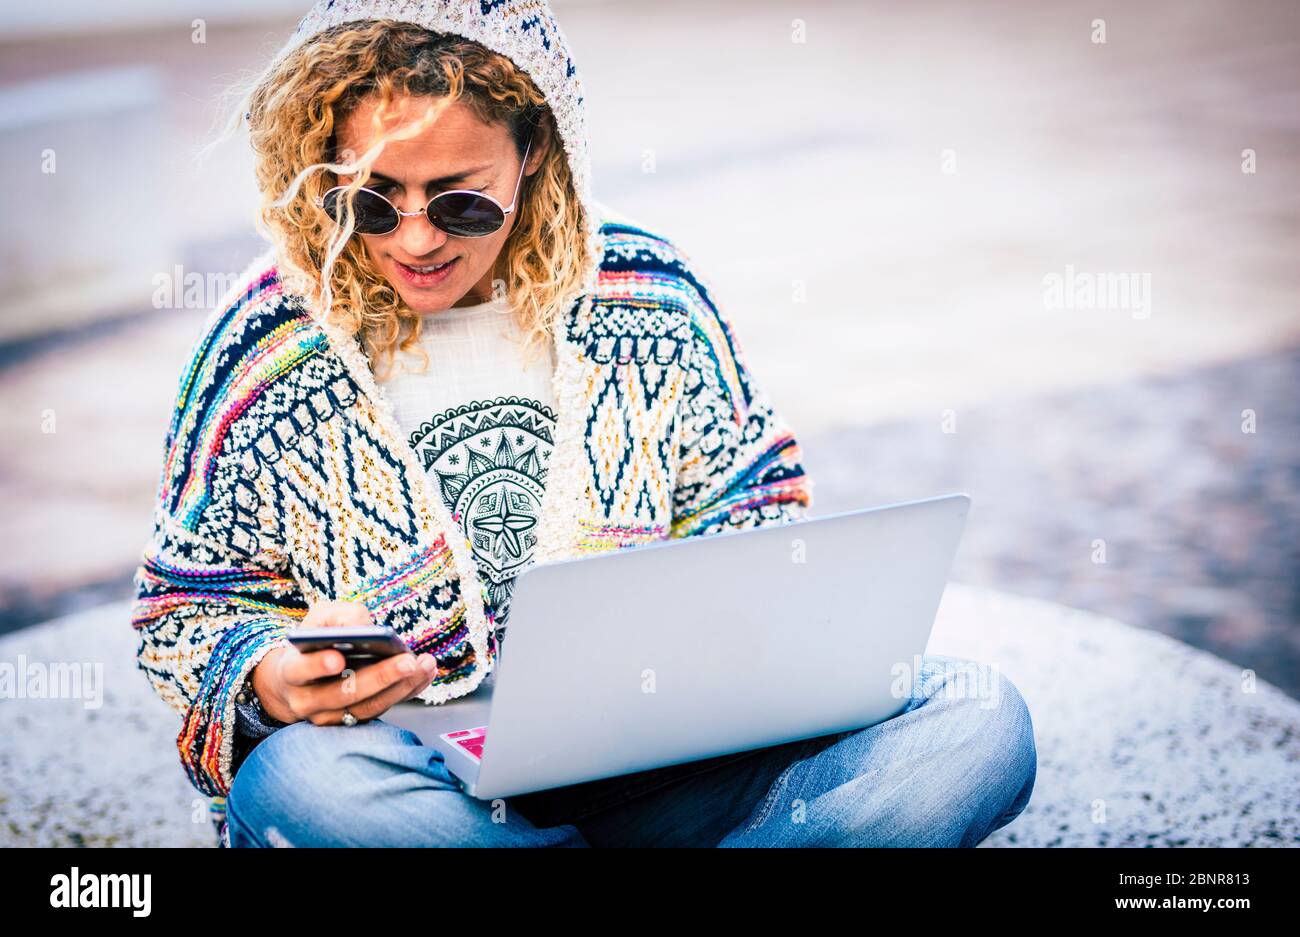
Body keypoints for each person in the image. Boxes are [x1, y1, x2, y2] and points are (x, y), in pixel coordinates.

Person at [131, 0, 1036, 848]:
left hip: (663, 758)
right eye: (370, 201)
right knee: (297, 781)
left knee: (978, 717)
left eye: (459, 200)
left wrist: (708, 656)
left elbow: (755, 505)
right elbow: (185, 608)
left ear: (535, 152)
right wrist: (269, 676)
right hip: (417, 775)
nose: (414, 239)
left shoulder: (646, 290)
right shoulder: (268, 342)